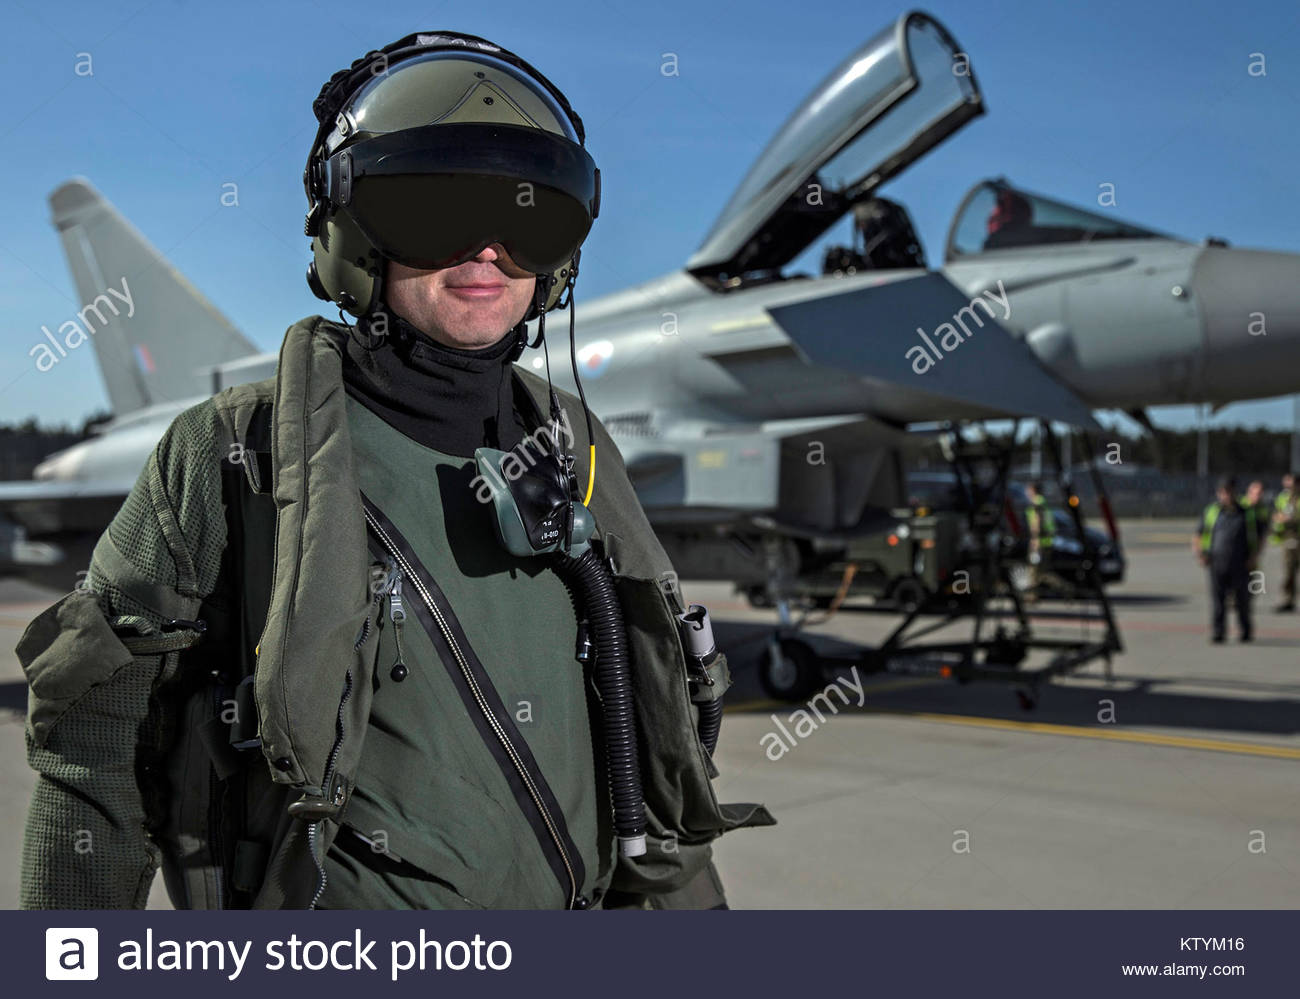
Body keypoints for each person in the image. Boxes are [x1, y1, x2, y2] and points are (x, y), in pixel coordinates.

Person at [18, 31, 771, 911]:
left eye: (530, 215)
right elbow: (95, 762)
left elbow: (651, 748)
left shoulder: (575, 444)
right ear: (351, 232)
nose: (488, 251)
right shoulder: (233, 456)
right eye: (435, 208)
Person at [1193, 476, 1257, 643]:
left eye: (1228, 492)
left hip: (1241, 563)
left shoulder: (1246, 513)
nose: (1225, 496)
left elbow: (1256, 537)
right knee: (1218, 600)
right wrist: (1200, 554)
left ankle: (1245, 630)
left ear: (1235, 492)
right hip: (1217, 562)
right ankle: (1218, 631)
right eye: (1222, 492)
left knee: (1242, 600)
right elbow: (1199, 534)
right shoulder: (1212, 512)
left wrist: (1253, 557)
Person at [1271, 472, 1298, 611]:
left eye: (1289, 481)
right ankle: (1288, 600)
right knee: (1288, 571)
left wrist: (1291, 519)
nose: (1286, 484)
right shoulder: (1282, 497)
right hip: (1288, 538)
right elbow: (1277, 512)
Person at [1023, 481, 1055, 599]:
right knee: (1042, 570)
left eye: (1028, 490)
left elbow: (1036, 522)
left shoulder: (1036, 503)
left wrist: (1034, 540)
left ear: (1032, 490)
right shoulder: (1043, 502)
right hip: (1047, 540)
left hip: (1039, 541)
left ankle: (1032, 596)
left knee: (1034, 570)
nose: (1026, 492)